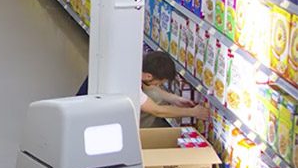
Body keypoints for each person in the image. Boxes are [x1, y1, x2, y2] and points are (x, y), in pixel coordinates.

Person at [76, 51, 210, 125]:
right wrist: (193, 112)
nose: (157, 86)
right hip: (89, 117)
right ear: (148, 76)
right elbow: (158, 111)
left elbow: (147, 87)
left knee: (156, 96)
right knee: (153, 104)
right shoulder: (129, 83)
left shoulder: (134, 63)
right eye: (158, 83)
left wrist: (173, 98)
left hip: (87, 103)